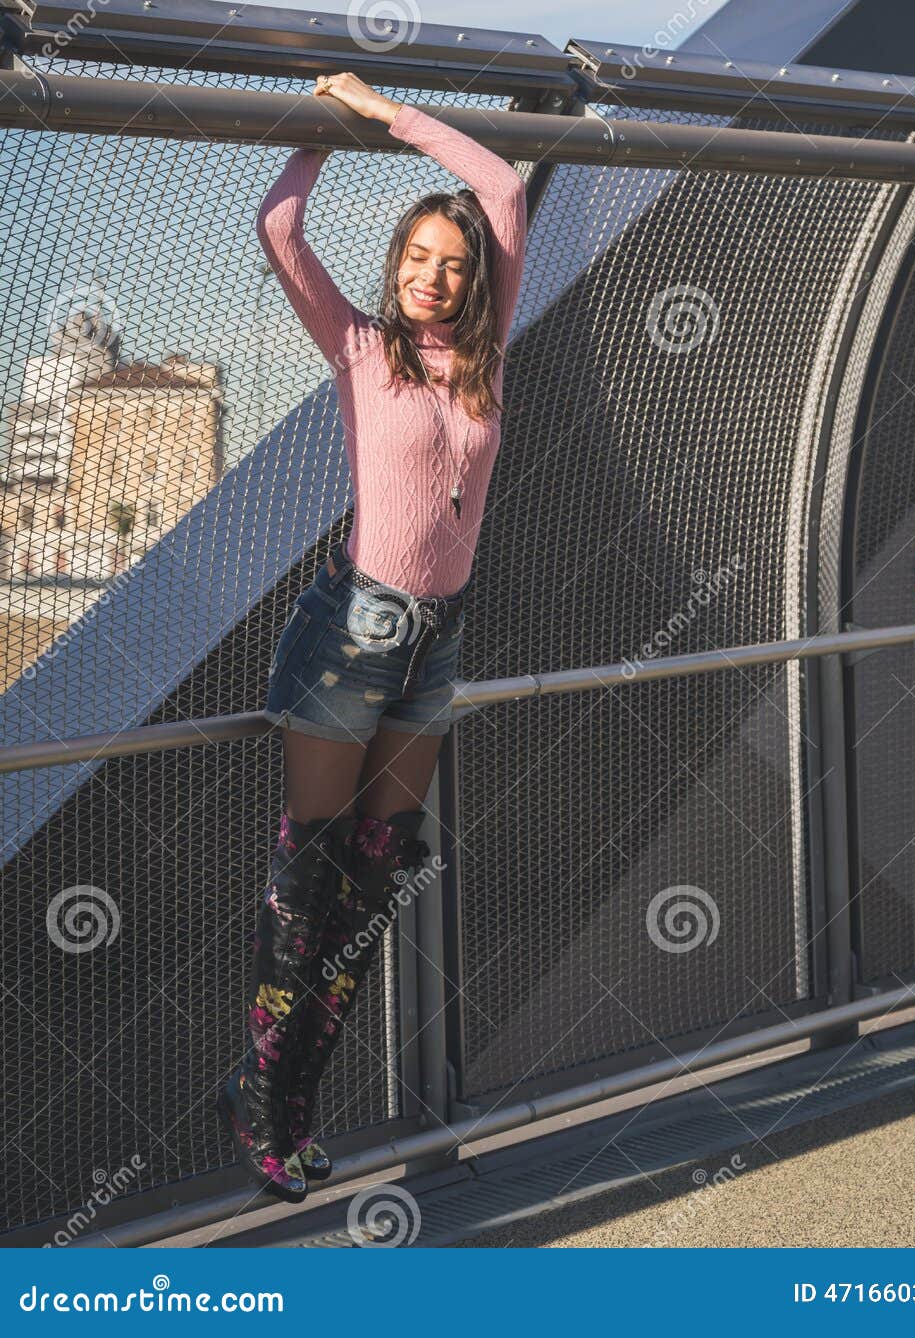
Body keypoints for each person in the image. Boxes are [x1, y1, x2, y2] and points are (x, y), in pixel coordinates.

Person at [216, 72, 527, 1202]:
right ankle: (261, 1102)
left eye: (451, 262)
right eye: (415, 258)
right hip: (350, 634)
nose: (432, 275)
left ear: (473, 277)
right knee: (309, 879)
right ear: (393, 266)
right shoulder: (358, 346)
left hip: (436, 641)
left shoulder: (485, 355)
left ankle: (292, 1102)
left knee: (376, 878)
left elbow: (499, 186)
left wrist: (394, 112)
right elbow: (279, 229)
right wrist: (329, 128)